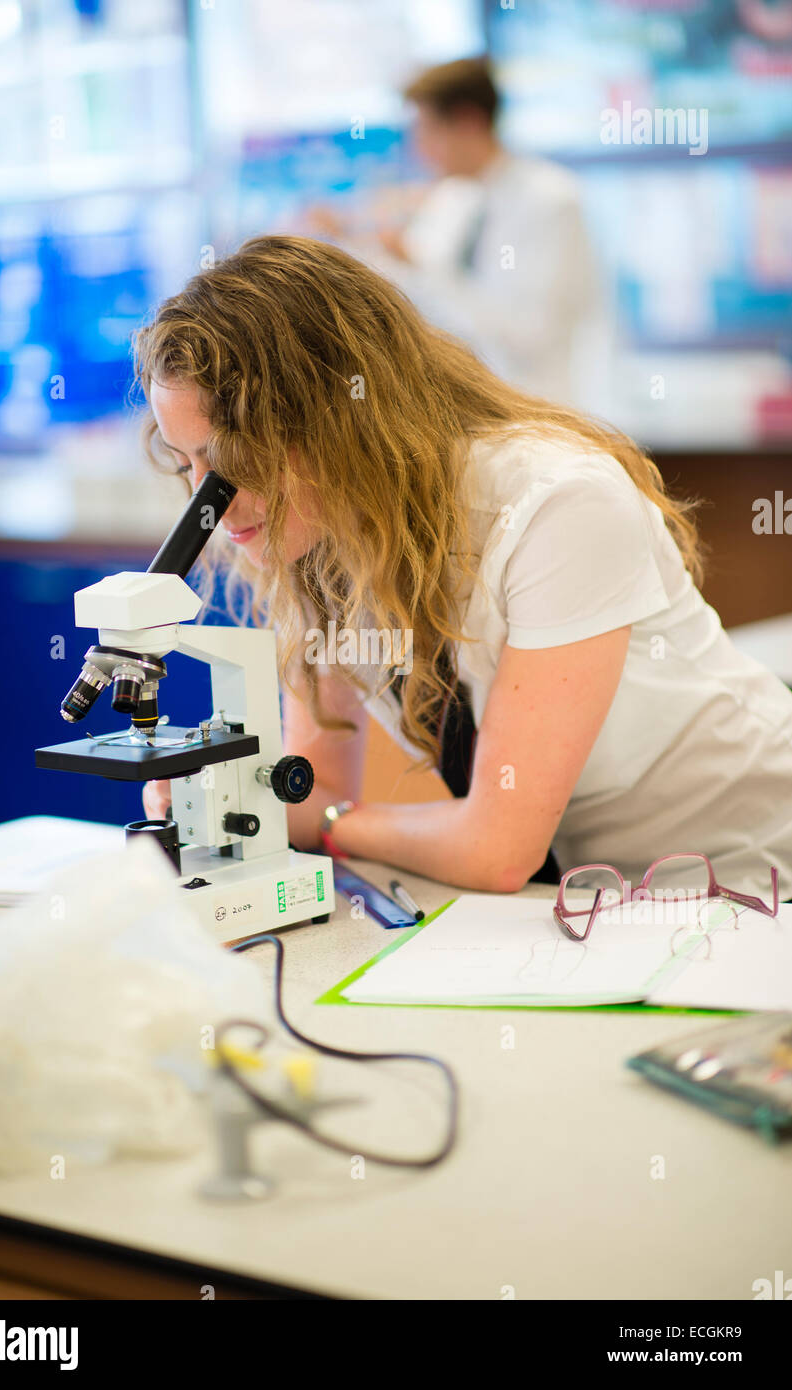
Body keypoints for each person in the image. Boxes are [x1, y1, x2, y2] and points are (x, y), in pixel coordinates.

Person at [137, 235, 792, 902]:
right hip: (589, 900)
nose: (210, 506)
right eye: (186, 463)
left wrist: (337, 826)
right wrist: (220, 794)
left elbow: (495, 849)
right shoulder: (321, 535)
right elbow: (320, 789)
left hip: (751, 872)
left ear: (331, 419)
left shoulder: (556, 503)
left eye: (229, 461)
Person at [308, 55, 610, 413]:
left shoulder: (550, 200)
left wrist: (426, 269)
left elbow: (531, 330)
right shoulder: (455, 198)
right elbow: (419, 297)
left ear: (469, 122)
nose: (418, 148)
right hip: (469, 407)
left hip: (540, 407)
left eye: (427, 130)